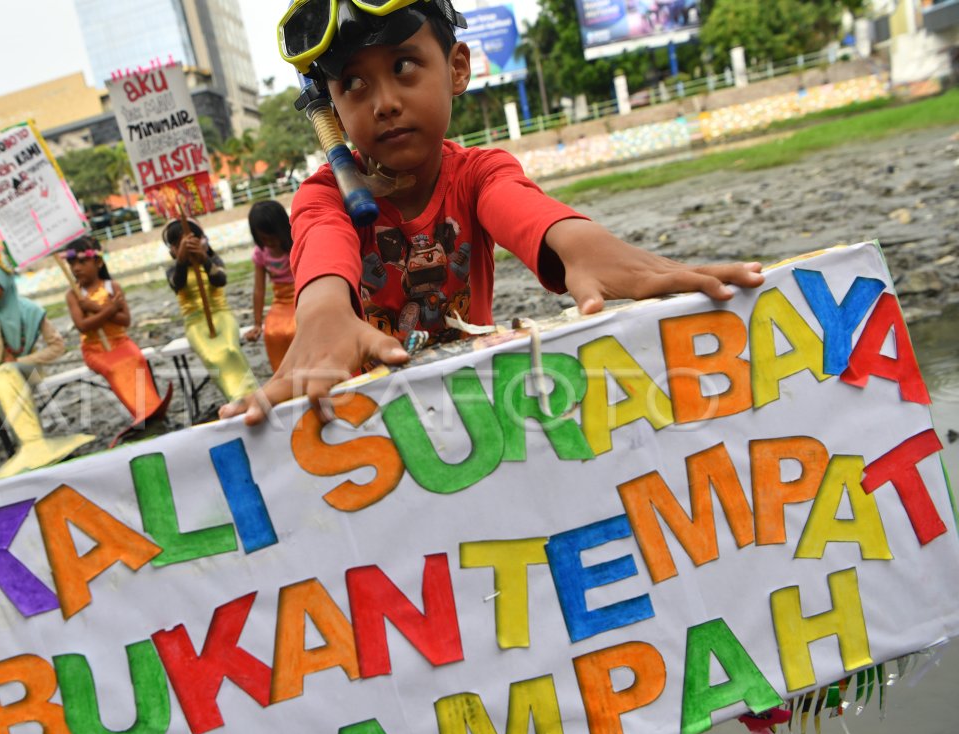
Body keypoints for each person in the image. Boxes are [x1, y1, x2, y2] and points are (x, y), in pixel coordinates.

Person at [220, 0, 763, 428]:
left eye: (404, 66)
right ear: (330, 109)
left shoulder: (478, 173)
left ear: (457, 68)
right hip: (372, 429)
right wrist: (320, 315)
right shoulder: (323, 198)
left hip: (478, 412)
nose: (383, 101)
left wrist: (588, 248)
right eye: (353, 85)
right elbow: (321, 256)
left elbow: (525, 209)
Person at [0, 260, 94, 479]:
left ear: (4, 282)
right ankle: (31, 446)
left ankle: (32, 447)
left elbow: (57, 346)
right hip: (1, 378)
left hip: (32, 372)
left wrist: (22, 360)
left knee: (0, 373)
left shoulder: (30, 310)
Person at [62, 236, 171, 441]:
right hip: (94, 347)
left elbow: (125, 320)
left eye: (82, 262)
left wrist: (97, 308)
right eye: (72, 263)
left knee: (135, 360)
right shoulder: (73, 295)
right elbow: (83, 326)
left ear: (98, 262)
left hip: (120, 340)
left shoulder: (113, 287)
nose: (76, 268)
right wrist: (108, 310)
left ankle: (152, 408)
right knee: (115, 368)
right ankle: (141, 413)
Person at [164, 219, 258, 406]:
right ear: (173, 249)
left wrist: (203, 259)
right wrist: (182, 261)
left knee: (230, 350)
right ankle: (236, 399)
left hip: (221, 315)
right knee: (213, 357)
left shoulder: (214, 260)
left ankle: (253, 394)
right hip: (195, 322)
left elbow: (220, 280)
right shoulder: (172, 270)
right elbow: (178, 283)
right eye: (179, 244)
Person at [243, 200, 297, 372]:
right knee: (272, 331)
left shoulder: (297, 243)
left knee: (295, 328)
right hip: (280, 301)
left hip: (302, 296)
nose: (270, 241)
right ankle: (285, 378)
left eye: (273, 236)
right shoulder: (261, 254)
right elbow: (259, 290)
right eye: (264, 238)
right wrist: (257, 323)